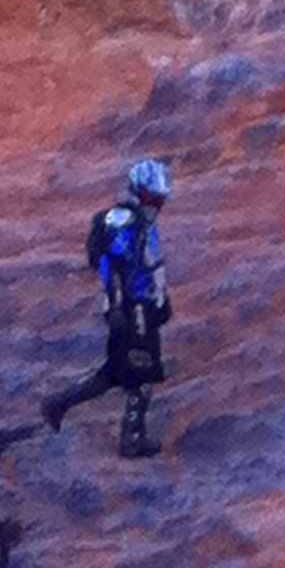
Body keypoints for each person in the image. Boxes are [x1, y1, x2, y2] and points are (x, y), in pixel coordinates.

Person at [41, 157, 173, 458]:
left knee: (115, 373)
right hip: (131, 309)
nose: (159, 203)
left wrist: (162, 303)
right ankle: (132, 438)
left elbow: (151, 266)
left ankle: (59, 402)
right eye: (155, 197)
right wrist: (114, 307)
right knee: (141, 376)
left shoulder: (141, 222)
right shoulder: (125, 223)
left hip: (142, 307)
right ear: (141, 192)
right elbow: (111, 267)